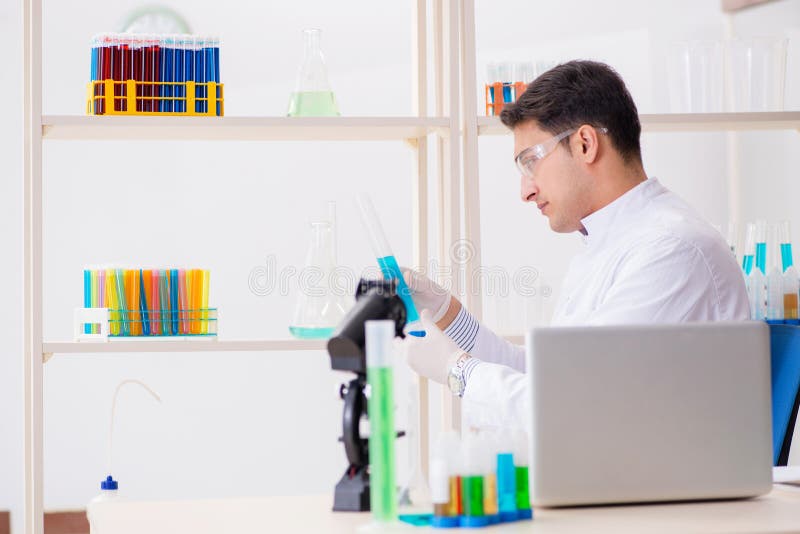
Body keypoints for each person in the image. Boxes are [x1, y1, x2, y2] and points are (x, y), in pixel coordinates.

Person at [399, 60, 749, 428]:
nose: (526, 190)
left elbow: (570, 406)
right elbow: (545, 378)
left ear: (585, 144)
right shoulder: (611, 243)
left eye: (530, 161)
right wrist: (445, 312)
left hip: (662, 483)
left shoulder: (671, 250)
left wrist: (455, 370)